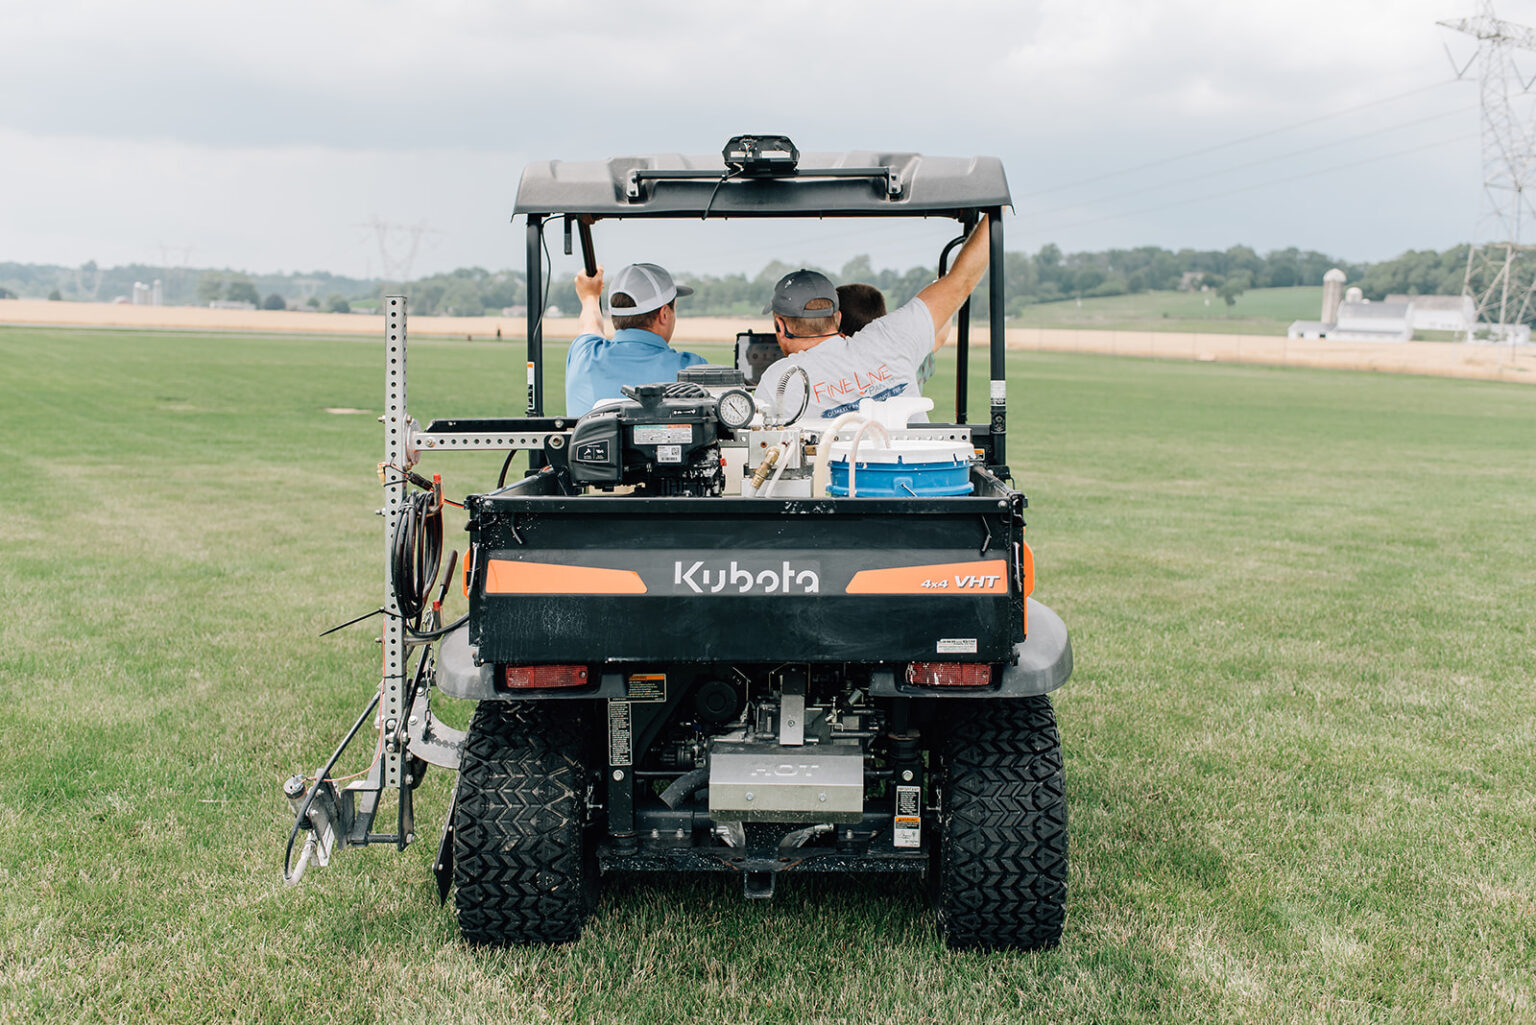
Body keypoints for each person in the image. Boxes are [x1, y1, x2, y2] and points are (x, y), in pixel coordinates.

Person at [757, 216, 989, 421]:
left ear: (780, 326)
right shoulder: (892, 337)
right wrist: (997, 211)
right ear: (837, 318)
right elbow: (961, 281)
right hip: (921, 470)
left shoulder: (776, 382)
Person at [564, 262, 706, 416]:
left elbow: (590, 325)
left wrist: (590, 297)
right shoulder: (693, 369)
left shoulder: (584, 355)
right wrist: (591, 297)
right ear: (664, 314)